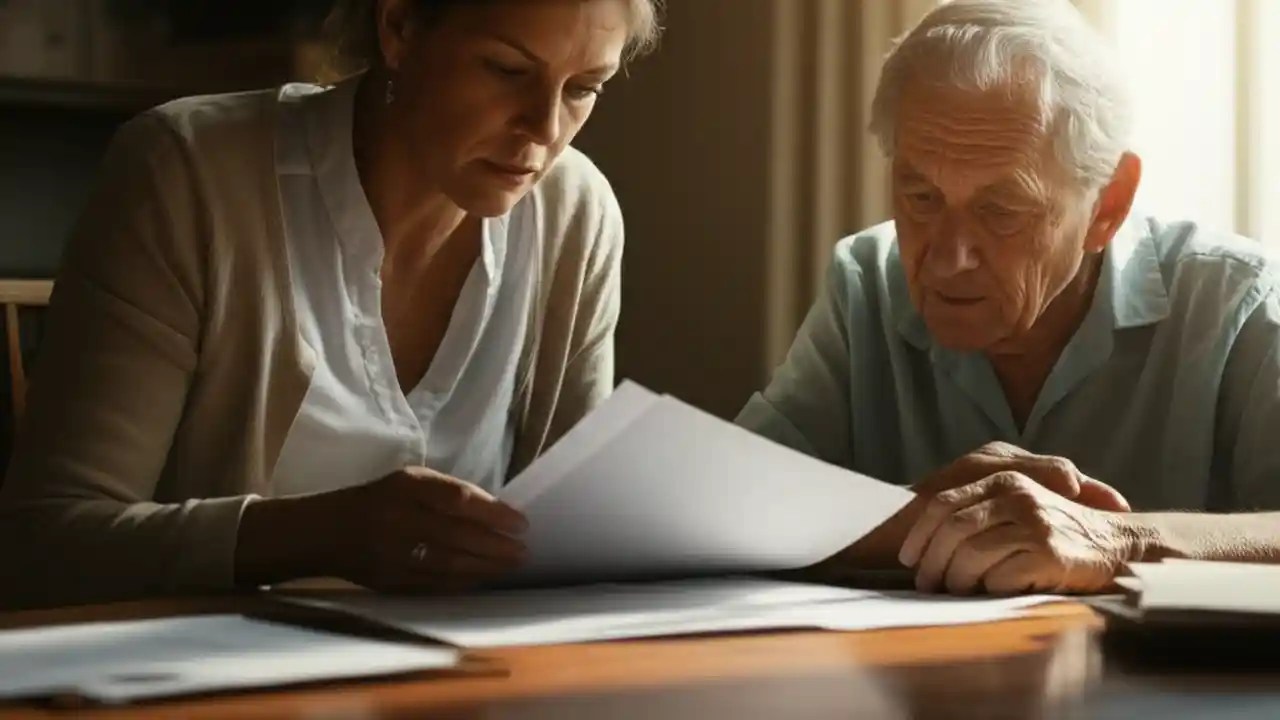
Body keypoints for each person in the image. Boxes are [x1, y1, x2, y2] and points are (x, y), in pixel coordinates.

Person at [0, 0, 661, 610]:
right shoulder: (190, 172)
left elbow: (580, 530)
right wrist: (323, 534)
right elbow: (44, 543)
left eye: (582, 90)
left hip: (470, 685)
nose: (545, 129)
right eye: (506, 70)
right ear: (399, 27)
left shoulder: (577, 213)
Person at [738, 0, 1280, 595]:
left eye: (1001, 211)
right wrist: (918, 518)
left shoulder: (1235, 301)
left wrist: (1118, 541)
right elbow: (728, 510)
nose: (946, 259)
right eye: (921, 198)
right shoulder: (866, 280)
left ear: (1108, 205)